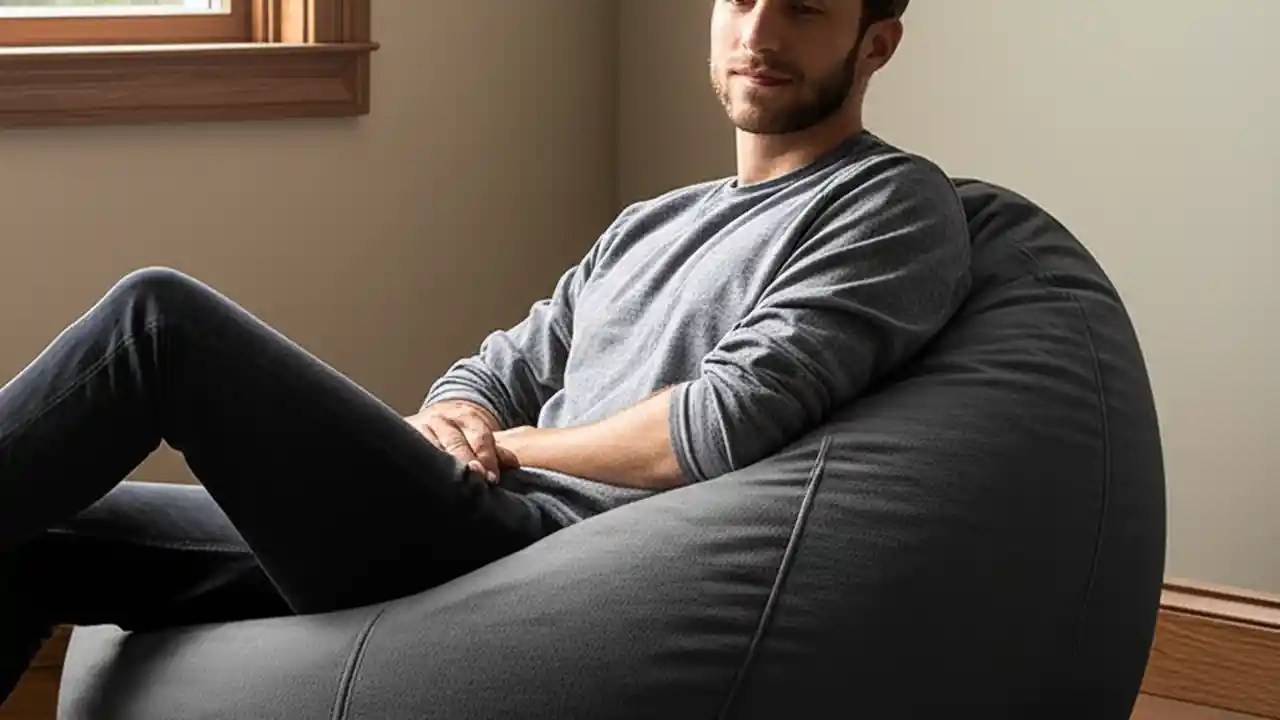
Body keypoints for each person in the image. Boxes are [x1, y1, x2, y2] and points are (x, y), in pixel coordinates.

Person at [1, 0, 970, 705]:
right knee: (34, 541)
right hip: (462, 513)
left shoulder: (888, 207)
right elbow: (497, 366)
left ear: (873, 44)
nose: (756, 33)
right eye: (737, 0)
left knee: (156, 323)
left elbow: (719, 423)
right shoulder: (650, 224)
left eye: (800, 9)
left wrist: (505, 450)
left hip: (535, 559)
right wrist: (458, 415)